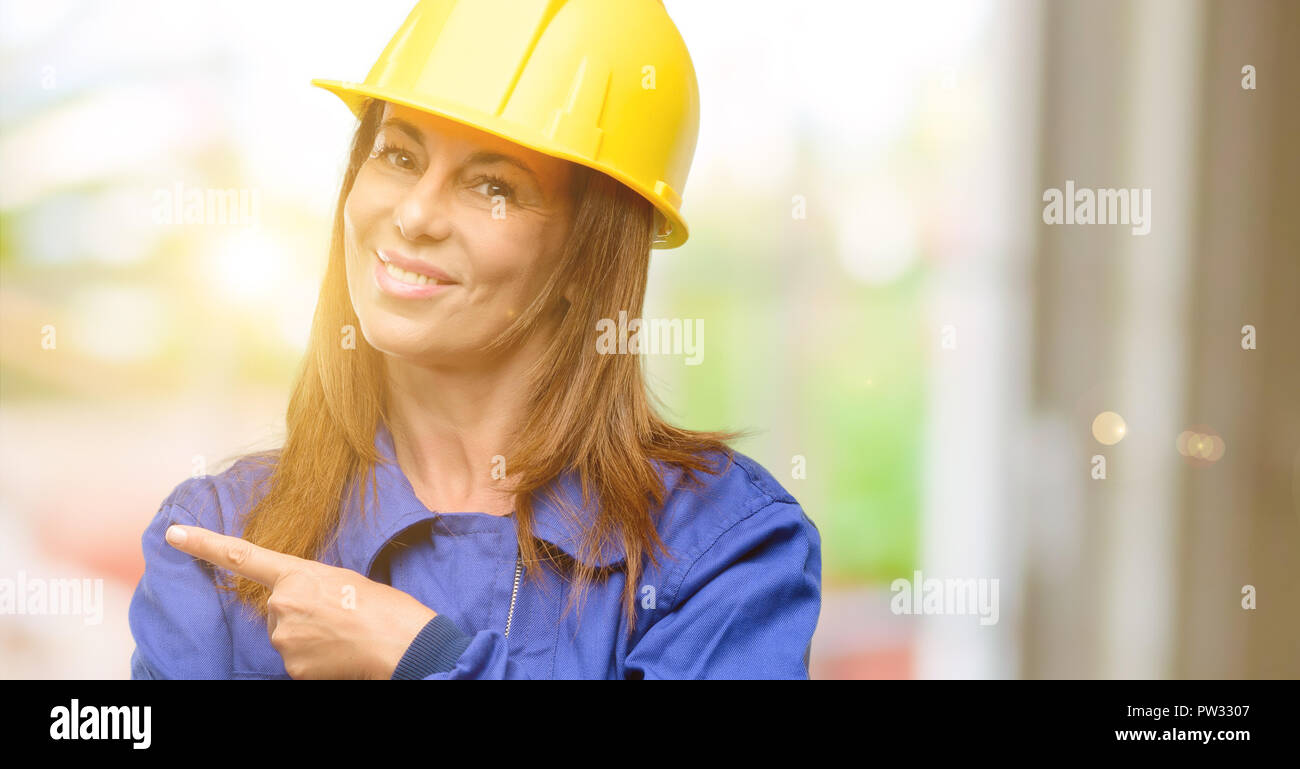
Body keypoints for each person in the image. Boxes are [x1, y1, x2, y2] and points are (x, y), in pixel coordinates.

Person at [128, 0, 821, 679]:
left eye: (493, 186)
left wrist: (422, 657)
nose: (415, 214)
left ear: (589, 257)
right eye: (399, 155)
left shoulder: (722, 545)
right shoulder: (217, 540)